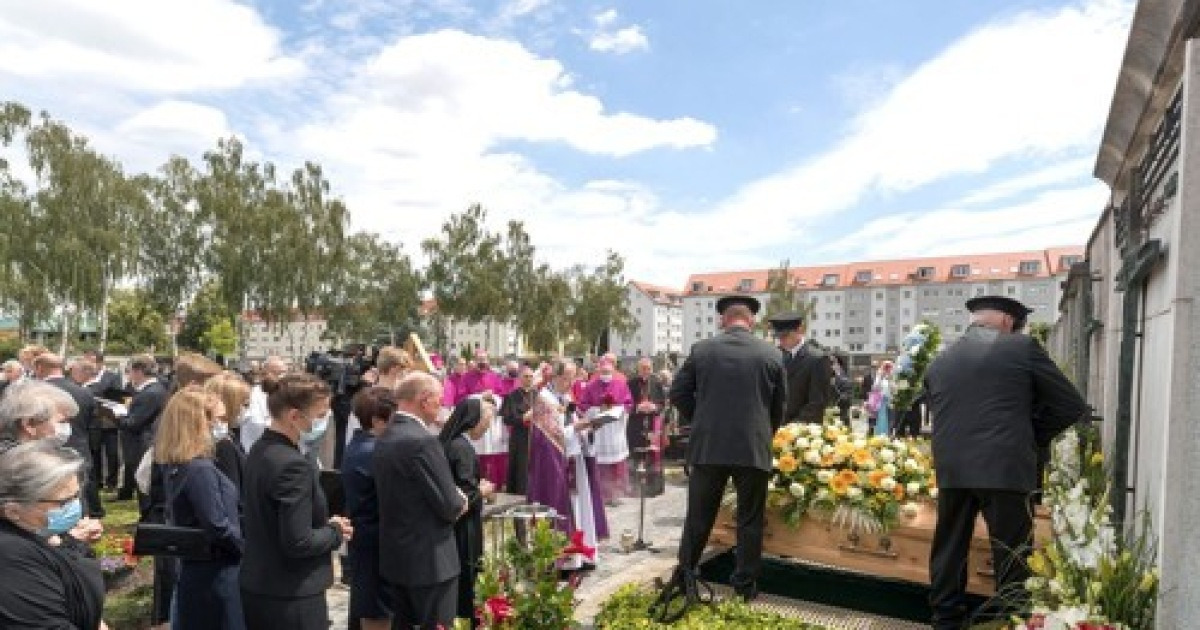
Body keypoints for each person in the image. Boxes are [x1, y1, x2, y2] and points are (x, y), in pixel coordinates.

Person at [925, 296, 1087, 629]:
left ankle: (946, 619)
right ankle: (1008, 621)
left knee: (949, 547)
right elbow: (1070, 405)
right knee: (1011, 553)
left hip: (952, 468)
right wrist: (1030, 436)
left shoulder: (941, 359)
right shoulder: (1022, 348)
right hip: (1005, 468)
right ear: (1007, 322)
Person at [666, 295, 786, 605]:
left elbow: (677, 392)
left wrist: (703, 419)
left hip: (710, 446)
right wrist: (763, 433)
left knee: (699, 516)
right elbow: (779, 408)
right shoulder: (772, 354)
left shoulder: (703, 350)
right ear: (752, 321)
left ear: (723, 320)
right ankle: (744, 586)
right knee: (750, 519)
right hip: (752, 448)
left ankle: (687, 575)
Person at [240, 374, 353, 630]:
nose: (325, 420)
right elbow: (298, 541)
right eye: (320, 413)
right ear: (294, 416)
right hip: (291, 593)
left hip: (261, 585)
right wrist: (335, 532)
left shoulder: (260, 450)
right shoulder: (292, 465)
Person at [374, 372, 468, 629]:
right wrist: (460, 498)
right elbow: (450, 505)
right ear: (424, 400)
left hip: (397, 556)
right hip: (431, 559)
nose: (441, 406)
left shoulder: (385, 436)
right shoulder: (423, 441)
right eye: (439, 400)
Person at [155, 386, 245, 630]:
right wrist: (244, 548)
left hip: (198, 567)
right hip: (217, 570)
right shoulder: (199, 469)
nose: (220, 426)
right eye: (217, 419)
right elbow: (216, 524)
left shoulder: (178, 464)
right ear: (198, 423)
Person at [0, 441, 107, 630]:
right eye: (64, 502)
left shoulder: (31, 534)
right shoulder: (10, 556)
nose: (76, 507)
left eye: (77, 496)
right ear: (13, 511)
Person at [526, 359, 608, 567]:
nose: (571, 383)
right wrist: (577, 428)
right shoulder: (544, 399)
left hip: (573, 459)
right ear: (555, 376)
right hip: (555, 465)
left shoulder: (564, 396)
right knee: (565, 507)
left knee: (579, 506)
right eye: (567, 378)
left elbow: (569, 423)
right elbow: (549, 438)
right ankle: (564, 558)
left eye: (573, 378)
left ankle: (580, 554)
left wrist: (589, 427)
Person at [342, 387, 399, 630]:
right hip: (375, 544)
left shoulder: (360, 445)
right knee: (377, 611)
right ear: (377, 421)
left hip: (366, 540)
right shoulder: (373, 452)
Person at [440, 396, 498, 628]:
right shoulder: (461, 448)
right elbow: (464, 493)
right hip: (465, 526)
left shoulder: (448, 441)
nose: (487, 428)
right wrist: (482, 491)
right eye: (486, 422)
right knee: (468, 573)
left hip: (451, 526)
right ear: (474, 420)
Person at [35, 353, 100, 517]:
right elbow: (93, 427)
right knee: (79, 494)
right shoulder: (84, 392)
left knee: (48, 497)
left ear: (39, 368)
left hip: (45, 451)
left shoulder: (35, 392)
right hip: (79, 448)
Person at [578, 357, 633, 505]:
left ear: (613, 371)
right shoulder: (591, 386)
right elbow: (583, 405)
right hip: (600, 430)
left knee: (616, 463)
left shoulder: (621, 384)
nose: (605, 374)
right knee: (600, 463)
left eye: (608, 371)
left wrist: (617, 409)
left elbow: (628, 404)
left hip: (614, 429)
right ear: (598, 371)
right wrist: (598, 409)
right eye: (603, 371)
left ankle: (615, 493)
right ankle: (601, 493)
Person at [767, 311, 830, 424]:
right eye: (778, 337)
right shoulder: (778, 355)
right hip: (777, 427)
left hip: (802, 429)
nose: (781, 341)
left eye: (785, 336)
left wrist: (792, 427)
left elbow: (817, 402)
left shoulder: (817, 358)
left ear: (800, 330)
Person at [118, 354, 167, 502]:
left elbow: (133, 423)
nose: (129, 375)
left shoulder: (150, 393)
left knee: (144, 485)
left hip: (142, 444)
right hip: (142, 443)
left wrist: (117, 415)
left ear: (138, 371)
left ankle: (147, 517)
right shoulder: (151, 390)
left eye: (130, 370)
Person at [205, 373, 252, 492]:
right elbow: (231, 491)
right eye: (244, 404)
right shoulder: (222, 443)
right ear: (230, 405)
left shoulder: (226, 435)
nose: (246, 410)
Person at [627, 357, 667, 492]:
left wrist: (654, 407)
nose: (646, 371)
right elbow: (626, 404)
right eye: (643, 368)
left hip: (652, 424)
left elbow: (663, 404)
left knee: (653, 455)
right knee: (636, 454)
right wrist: (638, 408)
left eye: (648, 368)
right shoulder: (630, 383)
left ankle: (654, 487)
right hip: (636, 424)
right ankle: (635, 487)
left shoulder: (657, 382)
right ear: (638, 369)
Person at [499, 365, 537, 496]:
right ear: (520, 378)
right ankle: (520, 496)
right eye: (526, 376)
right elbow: (507, 419)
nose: (529, 379)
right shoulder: (511, 396)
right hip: (519, 438)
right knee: (520, 468)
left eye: (531, 376)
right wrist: (524, 417)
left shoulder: (537, 395)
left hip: (535, 438)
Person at [239, 356, 287, 453]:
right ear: (264, 374)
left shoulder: (287, 393)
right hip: (259, 450)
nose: (283, 376)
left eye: (285, 372)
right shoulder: (254, 394)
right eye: (278, 373)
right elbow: (255, 423)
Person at [868, 361, 895, 436]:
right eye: (886, 367)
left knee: (890, 420)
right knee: (881, 420)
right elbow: (874, 388)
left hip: (890, 402)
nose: (887, 369)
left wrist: (890, 379)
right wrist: (880, 377)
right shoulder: (879, 376)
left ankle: (888, 434)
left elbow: (894, 390)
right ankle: (880, 435)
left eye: (889, 367)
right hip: (881, 402)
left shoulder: (893, 377)